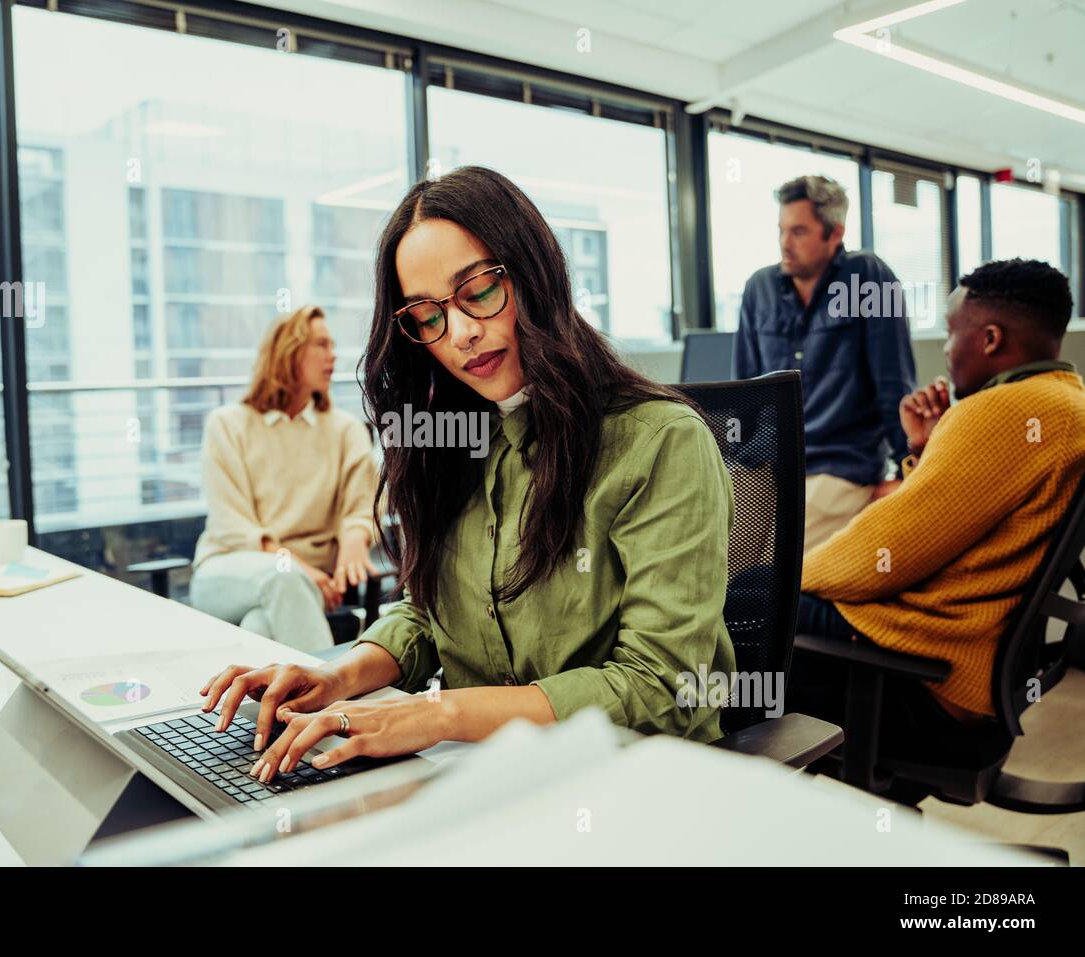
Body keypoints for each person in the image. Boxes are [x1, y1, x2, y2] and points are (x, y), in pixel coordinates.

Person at [199, 166, 737, 780]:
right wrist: (336, 678)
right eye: (427, 316)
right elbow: (429, 614)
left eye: (478, 290)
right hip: (478, 776)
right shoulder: (454, 439)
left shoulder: (660, 442)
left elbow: (661, 689)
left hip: (627, 781)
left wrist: (435, 714)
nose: (459, 334)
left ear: (536, 273)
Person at [791, 259, 1085, 763]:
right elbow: (965, 535)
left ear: (990, 339)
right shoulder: (1065, 403)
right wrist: (926, 450)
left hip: (923, 688)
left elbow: (874, 558)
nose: (946, 351)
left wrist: (780, 581)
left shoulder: (998, 412)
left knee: (739, 606)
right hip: (976, 683)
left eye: (951, 334)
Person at [733, 175, 916, 552]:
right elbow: (746, 391)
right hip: (765, 459)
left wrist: (906, 473)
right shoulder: (759, 288)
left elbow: (892, 381)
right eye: (781, 230)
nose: (785, 243)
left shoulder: (868, 279)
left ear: (835, 234)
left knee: (776, 571)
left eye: (799, 231)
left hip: (837, 465)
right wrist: (735, 464)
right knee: (721, 560)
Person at [189, 306, 379, 653]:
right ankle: (336, 696)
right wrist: (296, 566)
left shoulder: (345, 430)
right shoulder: (227, 425)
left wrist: (356, 537)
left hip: (304, 588)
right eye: (321, 344)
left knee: (258, 626)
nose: (333, 355)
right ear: (288, 352)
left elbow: (361, 507)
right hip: (227, 570)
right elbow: (231, 524)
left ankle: (257, 706)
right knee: (282, 577)